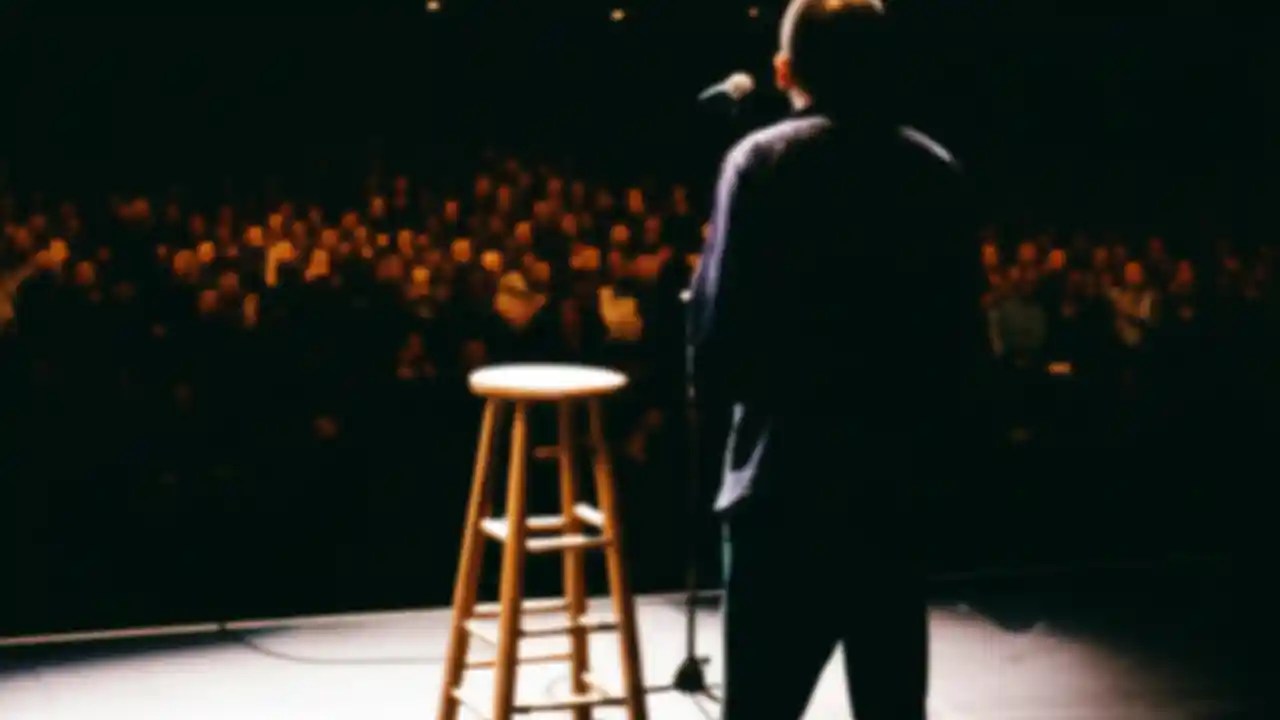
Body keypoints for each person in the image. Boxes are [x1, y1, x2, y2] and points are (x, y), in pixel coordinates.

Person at [688, 1, 978, 718]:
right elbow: (958, 349)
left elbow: (718, 341)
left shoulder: (757, 162)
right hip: (893, 489)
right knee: (890, 704)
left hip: (783, 485)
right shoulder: (935, 171)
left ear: (783, 71)